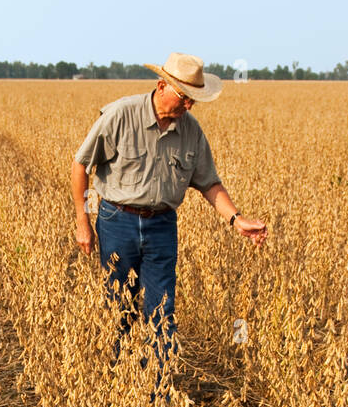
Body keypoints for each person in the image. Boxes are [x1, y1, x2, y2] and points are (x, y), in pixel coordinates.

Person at [72, 52, 267, 383]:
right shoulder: (121, 115)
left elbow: (209, 183)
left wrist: (237, 219)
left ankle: (156, 393)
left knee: (162, 310)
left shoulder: (191, 131)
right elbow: (81, 164)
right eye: (185, 97)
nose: (188, 106)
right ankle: (112, 385)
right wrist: (82, 220)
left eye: (194, 100)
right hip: (116, 221)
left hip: (162, 227)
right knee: (119, 306)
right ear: (161, 85)